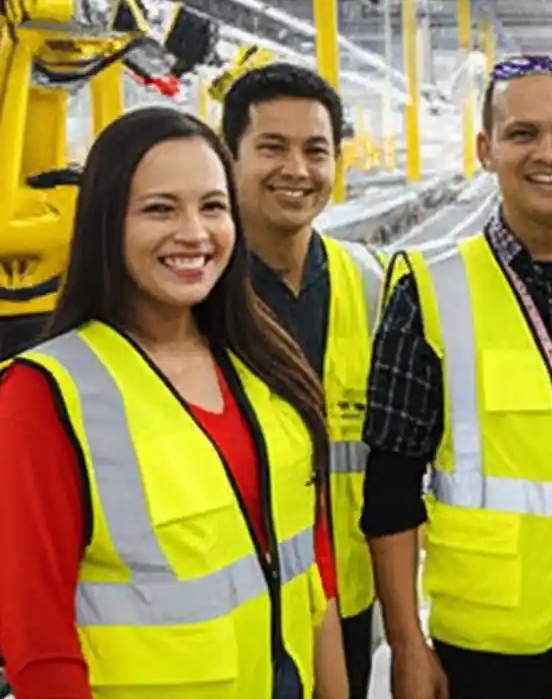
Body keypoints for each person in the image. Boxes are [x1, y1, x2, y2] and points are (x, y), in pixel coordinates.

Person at [361, 54, 552, 699]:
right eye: (522, 134)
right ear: (486, 149)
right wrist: (406, 645)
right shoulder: (429, 290)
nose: (549, 153)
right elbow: (390, 488)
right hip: (488, 648)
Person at [0, 107, 343, 698]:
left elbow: (312, 567)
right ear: (108, 224)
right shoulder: (45, 397)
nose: (195, 233)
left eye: (212, 206)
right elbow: (39, 641)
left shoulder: (263, 367)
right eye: (160, 209)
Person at [221, 62, 385, 699]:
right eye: (272, 148)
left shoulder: (371, 283)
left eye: (316, 151)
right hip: (234, 601)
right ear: (229, 154)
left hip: (344, 593)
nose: (297, 170)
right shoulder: (194, 290)